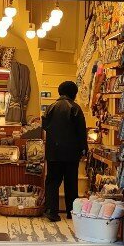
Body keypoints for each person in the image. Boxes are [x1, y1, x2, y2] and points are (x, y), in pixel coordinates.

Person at [42, 80, 88, 222]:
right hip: (71, 152)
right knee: (71, 182)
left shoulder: (50, 107)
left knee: (52, 181)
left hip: (53, 152)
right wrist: (84, 148)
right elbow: (81, 131)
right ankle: (71, 211)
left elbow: (45, 126)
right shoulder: (75, 108)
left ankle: (51, 211)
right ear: (73, 93)